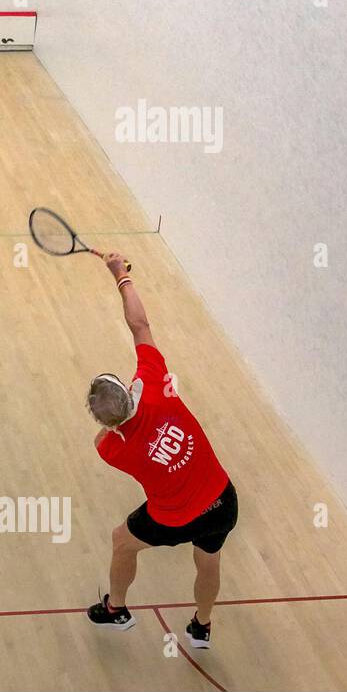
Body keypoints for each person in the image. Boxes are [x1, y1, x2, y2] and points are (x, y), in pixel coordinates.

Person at [85, 253, 238, 649]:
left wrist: (112, 427)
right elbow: (139, 324)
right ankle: (202, 626)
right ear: (127, 387)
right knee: (209, 561)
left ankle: (116, 609)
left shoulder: (113, 449)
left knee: (123, 540)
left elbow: (101, 440)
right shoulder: (154, 381)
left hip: (175, 519)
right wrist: (121, 274)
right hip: (223, 500)